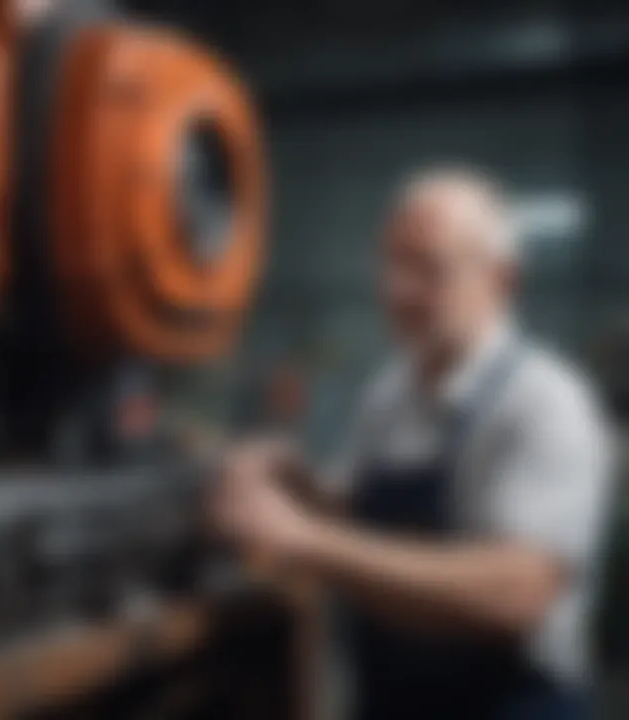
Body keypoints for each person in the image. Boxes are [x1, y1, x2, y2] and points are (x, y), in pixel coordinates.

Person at [213, 168, 613, 719]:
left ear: (502, 280)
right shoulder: (390, 393)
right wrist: (297, 482)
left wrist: (305, 538)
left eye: (427, 268)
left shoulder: (546, 402)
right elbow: (359, 523)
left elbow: (519, 592)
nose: (396, 291)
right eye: (392, 263)